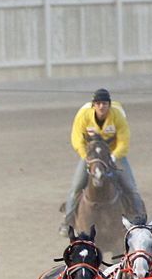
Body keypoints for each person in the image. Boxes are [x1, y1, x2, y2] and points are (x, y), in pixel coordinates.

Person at [60, 88, 146, 236]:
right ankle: (67, 223)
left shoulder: (117, 116)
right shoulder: (84, 116)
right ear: (94, 105)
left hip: (114, 155)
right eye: (98, 103)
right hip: (91, 155)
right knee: (76, 187)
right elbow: (76, 138)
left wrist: (114, 156)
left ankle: (139, 220)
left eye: (105, 103)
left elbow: (124, 141)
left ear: (109, 105)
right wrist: (85, 156)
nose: (101, 106)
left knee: (130, 187)